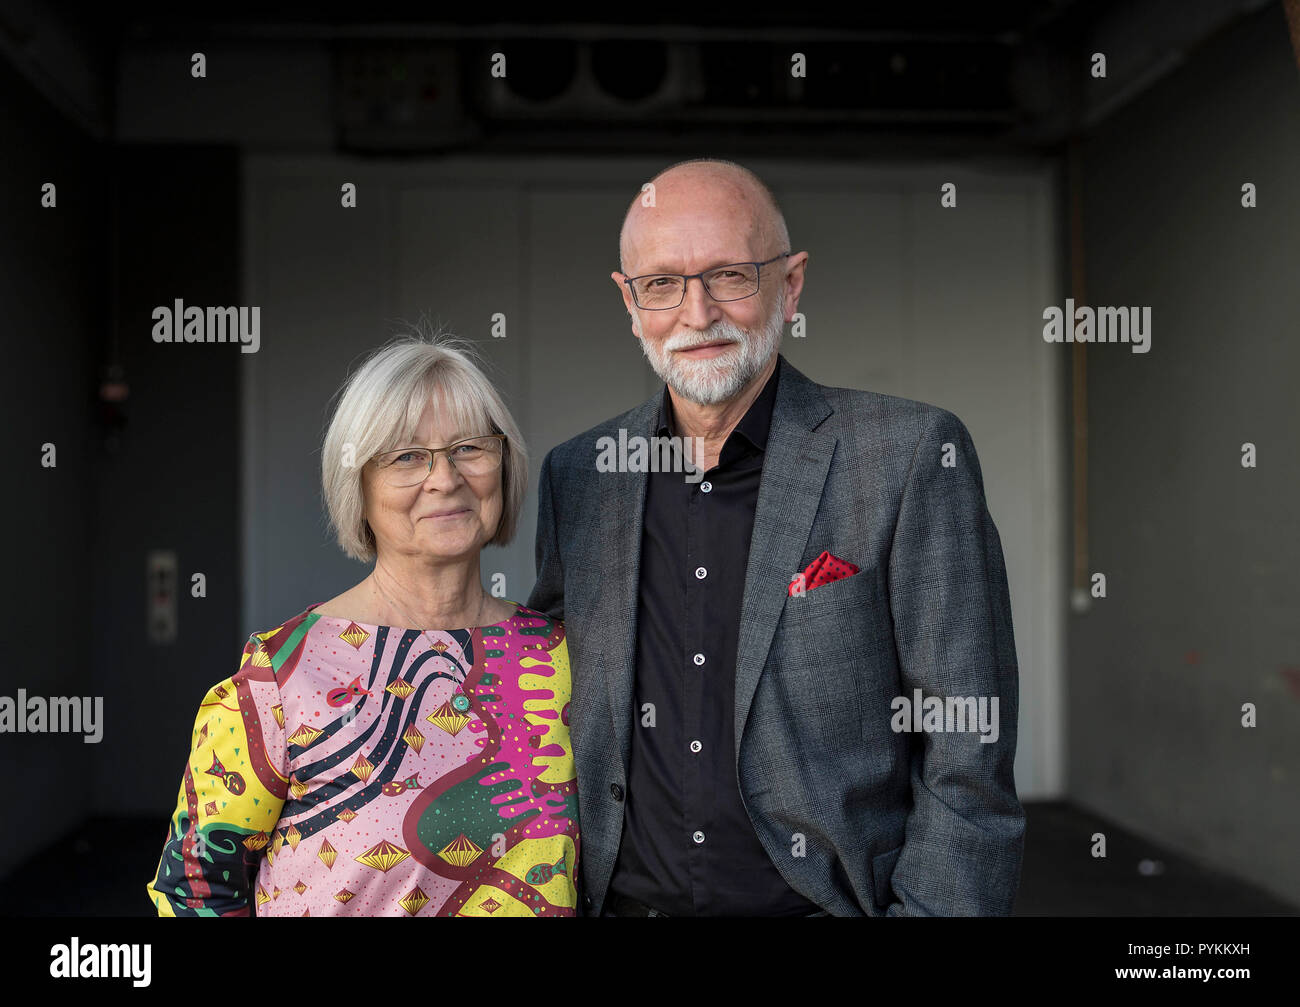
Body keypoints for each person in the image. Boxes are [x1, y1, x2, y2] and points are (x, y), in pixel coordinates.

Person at [527, 158, 1025, 916]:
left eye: (729, 275)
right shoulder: (580, 477)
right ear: (629, 302)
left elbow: (969, 752)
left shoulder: (909, 456)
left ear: (789, 285)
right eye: (662, 283)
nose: (697, 314)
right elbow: (542, 700)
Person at [147, 333, 579, 916]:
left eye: (470, 448)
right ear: (359, 486)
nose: (445, 478)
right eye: (406, 456)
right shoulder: (282, 673)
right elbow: (194, 888)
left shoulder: (561, 656)